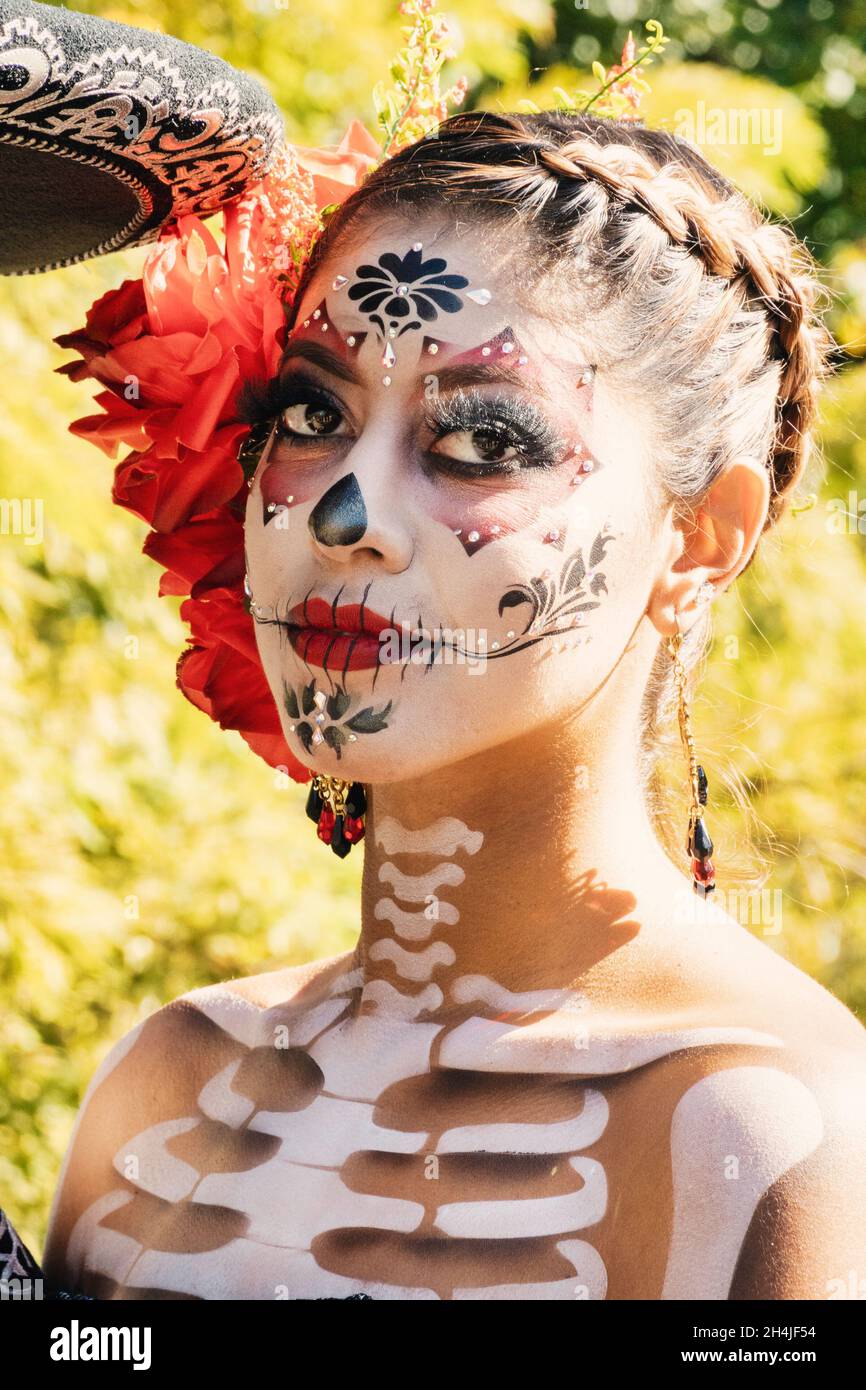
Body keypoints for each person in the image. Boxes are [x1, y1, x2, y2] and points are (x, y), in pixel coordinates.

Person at [5, 0, 866, 1301]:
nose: (343, 512)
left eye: (479, 438)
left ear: (700, 534)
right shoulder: (166, 1080)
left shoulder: (769, 1124)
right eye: (309, 409)